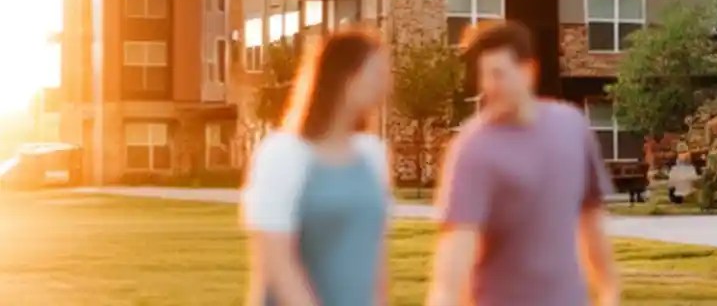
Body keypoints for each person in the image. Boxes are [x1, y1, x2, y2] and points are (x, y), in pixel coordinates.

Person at [429, 21, 619, 306]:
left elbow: (591, 219)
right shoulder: (473, 148)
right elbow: (457, 248)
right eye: (485, 76)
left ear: (528, 71)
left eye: (499, 74)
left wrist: (610, 291)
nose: (489, 86)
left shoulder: (572, 126)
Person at [241, 27, 394, 306]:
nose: (385, 86)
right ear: (345, 78)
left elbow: (374, 259)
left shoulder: (373, 155)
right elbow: (276, 261)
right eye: (376, 74)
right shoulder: (283, 154)